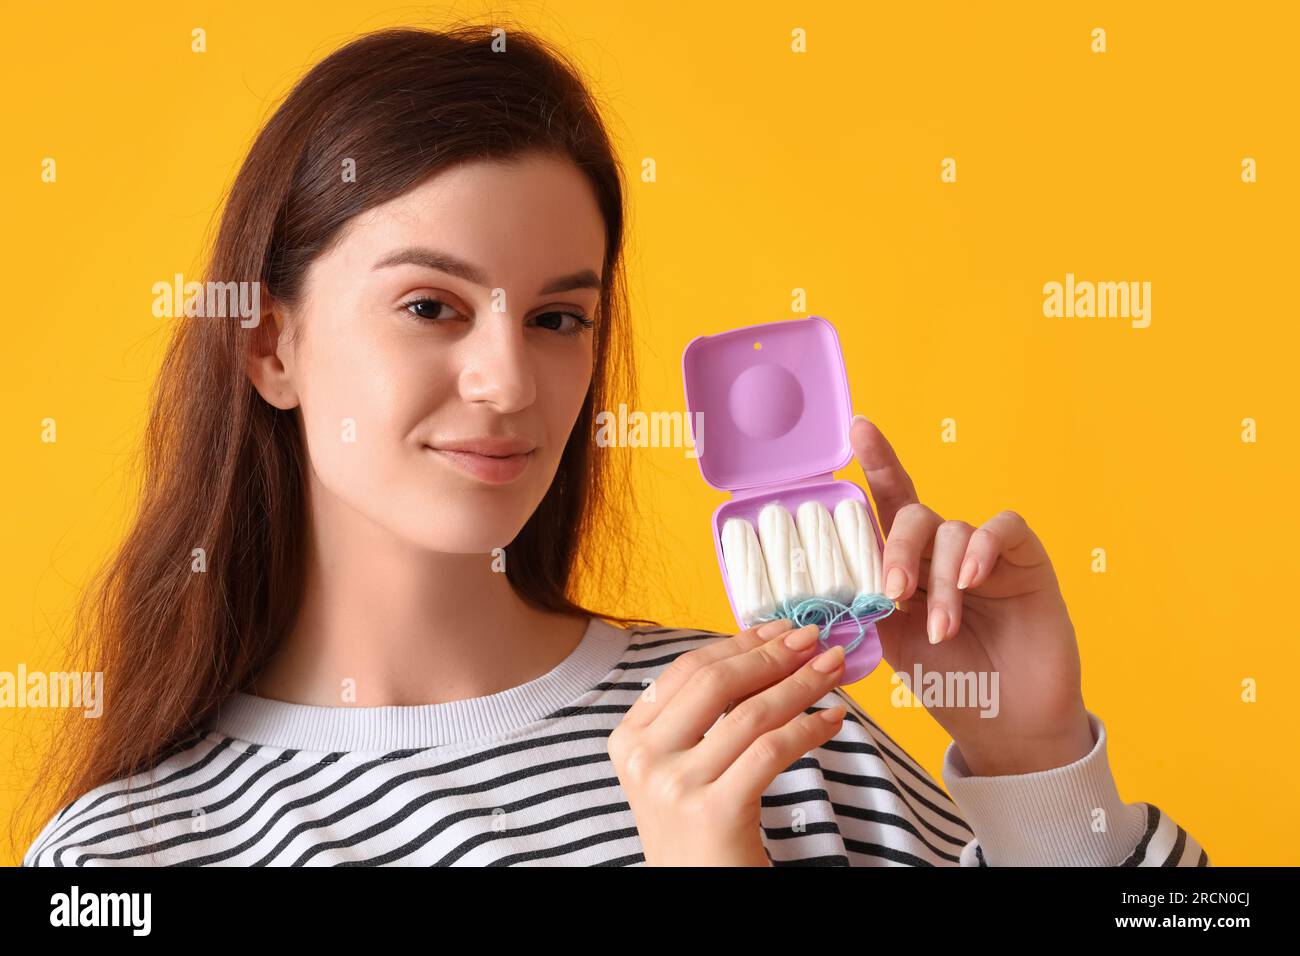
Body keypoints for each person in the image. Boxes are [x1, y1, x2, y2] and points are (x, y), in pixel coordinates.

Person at [18, 24, 1207, 867]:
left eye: (558, 318)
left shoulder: (780, 732)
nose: (509, 379)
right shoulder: (131, 858)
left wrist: (1035, 762)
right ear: (267, 345)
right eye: (430, 304)